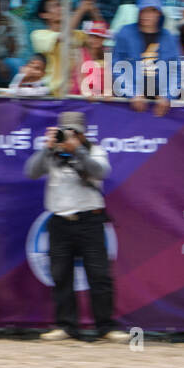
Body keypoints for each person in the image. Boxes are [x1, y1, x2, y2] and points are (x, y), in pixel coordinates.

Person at [25, 111, 128, 343]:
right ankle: (65, 326)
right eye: (66, 132)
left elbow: (101, 172)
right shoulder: (51, 154)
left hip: (90, 220)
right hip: (60, 221)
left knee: (99, 275)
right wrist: (46, 147)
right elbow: (31, 172)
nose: (69, 136)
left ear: (82, 134)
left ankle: (105, 327)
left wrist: (77, 150)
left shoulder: (94, 151)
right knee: (61, 276)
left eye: (74, 133)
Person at [110, 0, 183, 114]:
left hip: (160, 102)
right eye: (143, 10)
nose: (146, 15)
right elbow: (117, 65)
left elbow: (176, 69)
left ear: (159, 13)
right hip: (129, 100)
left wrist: (167, 96)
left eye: (151, 11)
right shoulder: (125, 32)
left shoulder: (168, 37)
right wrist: (132, 93)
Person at [31, 0, 94, 96]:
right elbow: (63, 37)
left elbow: (100, 38)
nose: (61, 9)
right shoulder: (38, 35)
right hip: (53, 94)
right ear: (44, 15)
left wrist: (92, 9)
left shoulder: (78, 34)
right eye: (55, 6)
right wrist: (81, 9)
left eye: (60, 5)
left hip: (79, 93)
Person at [71, 21, 112, 97]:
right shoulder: (80, 52)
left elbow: (108, 77)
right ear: (87, 36)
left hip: (100, 97)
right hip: (81, 97)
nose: (96, 39)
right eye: (92, 36)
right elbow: (80, 77)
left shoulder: (107, 52)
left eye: (100, 37)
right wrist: (87, 93)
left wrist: (107, 92)